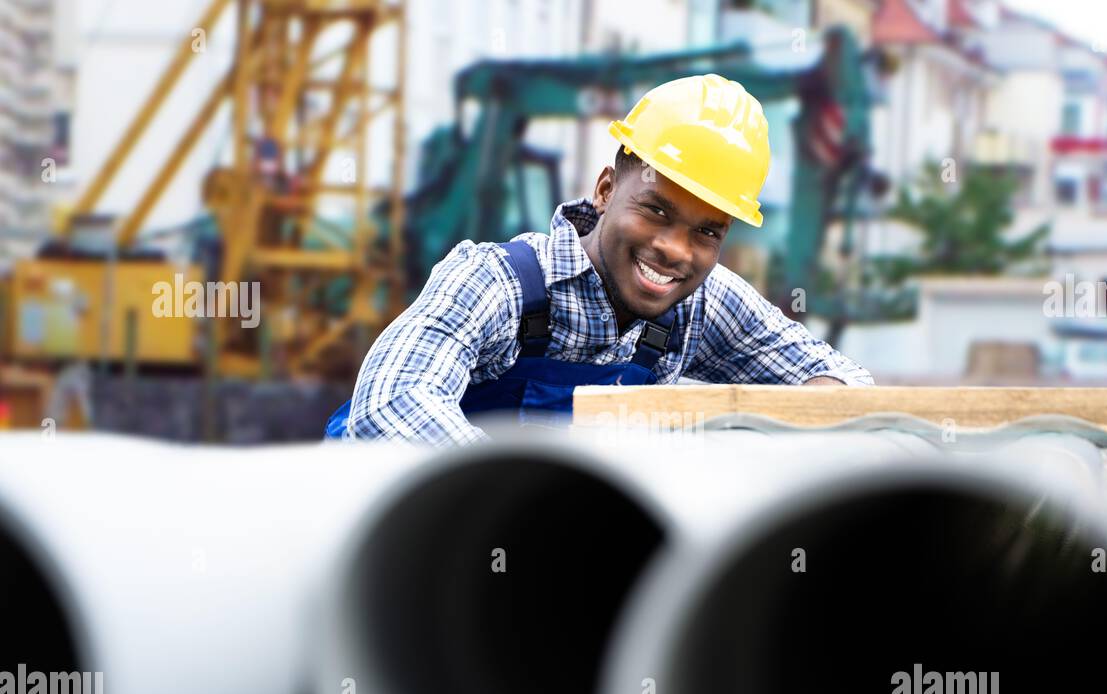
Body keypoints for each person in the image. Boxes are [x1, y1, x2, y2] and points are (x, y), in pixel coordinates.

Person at [328, 72, 873, 445]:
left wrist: (810, 420)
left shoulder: (702, 302)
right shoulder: (495, 282)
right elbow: (390, 405)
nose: (676, 250)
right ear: (607, 190)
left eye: (707, 231)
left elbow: (843, 383)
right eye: (656, 211)